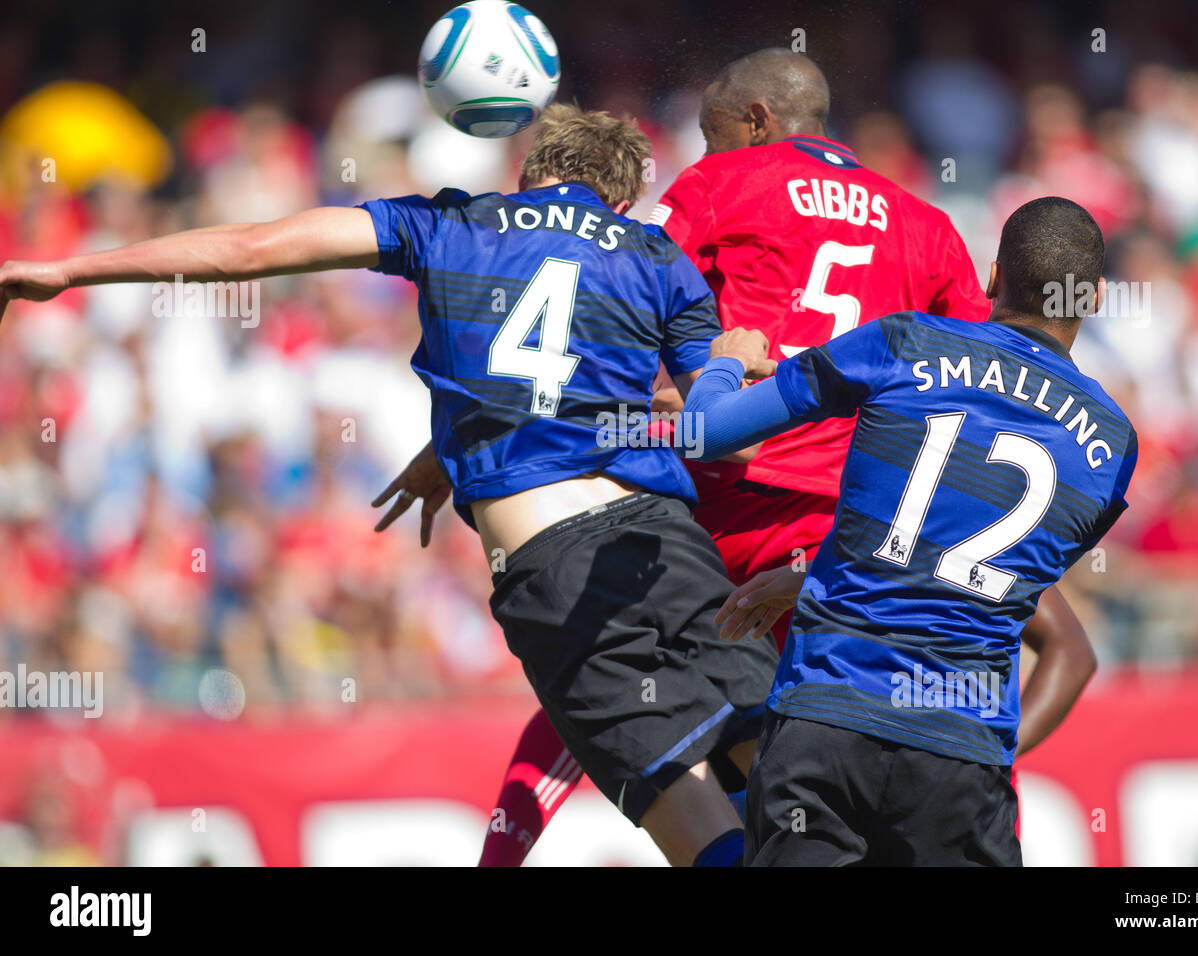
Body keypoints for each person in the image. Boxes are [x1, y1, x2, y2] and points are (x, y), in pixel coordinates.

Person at [0, 104, 780, 868]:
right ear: (618, 196)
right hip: (667, 546)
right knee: (783, 793)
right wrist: (726, 361)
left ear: (532, 172)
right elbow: (717, 435)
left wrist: (71, 271)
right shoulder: (653, 255)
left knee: (691, 816)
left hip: (556, 562)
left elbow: (250, 248)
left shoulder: (452, 224)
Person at [421, 47, 1094, 866]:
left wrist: (463, 428)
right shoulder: (930, 227)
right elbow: (984, 381)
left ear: (757, 122)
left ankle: (504, 850)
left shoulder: (719, 187)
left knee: (611, 665)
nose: (703, 157)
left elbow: (598, 295)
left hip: (721, 509)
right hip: (860, 530)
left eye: (711, 137)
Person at [683, 197, 1138, 865]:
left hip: (827, 718)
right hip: (959, 754)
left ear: (991, 276)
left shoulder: (903, 342)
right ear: (1093, 297)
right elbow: (986, 566)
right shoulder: (1113, 446)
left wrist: (725, 360)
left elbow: (705, 433)